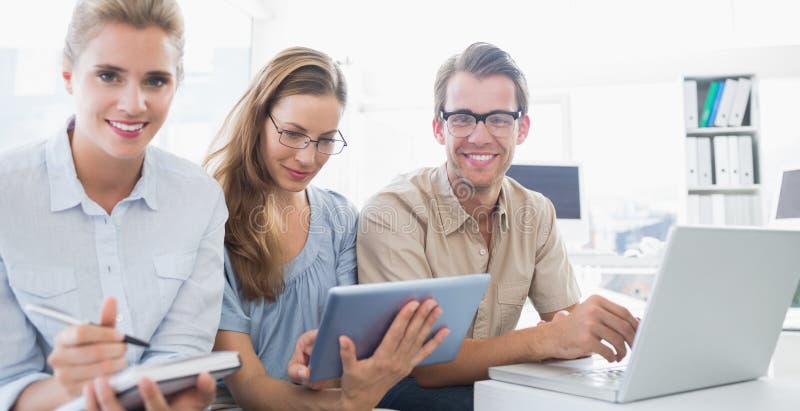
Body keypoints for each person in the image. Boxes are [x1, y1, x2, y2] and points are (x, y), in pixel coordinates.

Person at [357, 42, 640, 410]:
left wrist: (596, 327)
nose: (479, 136)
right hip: (403, 393)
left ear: (521, 129)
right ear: (439, 128)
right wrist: (546, 340)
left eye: (499, 119)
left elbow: (568, 329)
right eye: (462, 118)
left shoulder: (536, 212)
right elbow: (426, 364)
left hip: (484, 384)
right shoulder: (392, 212)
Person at [0, 1, 227, 409]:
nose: (134, 103)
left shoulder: (199, 199)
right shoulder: (7, 195)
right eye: (108, 76)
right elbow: (7, 384)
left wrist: (182, 397)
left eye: (155, 81)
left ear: (177, 83)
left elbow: (181, 354)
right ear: (68, 75)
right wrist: (73, 387)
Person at [207, 46, 449, 410]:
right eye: (292, 134)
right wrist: (347, 403)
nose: (308, 157)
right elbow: (249, 386)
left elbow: (344, 355)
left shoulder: (340, 217)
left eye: (325, 140)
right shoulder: (213, 220)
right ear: (258, 120)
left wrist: (336, 372)